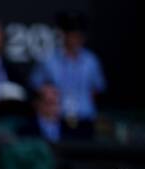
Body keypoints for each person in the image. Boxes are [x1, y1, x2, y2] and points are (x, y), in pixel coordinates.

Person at [28, 11, 105, 140]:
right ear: (63, 34)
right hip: (58, 120)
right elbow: (36, 87)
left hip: (85, 119)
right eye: (72, 34)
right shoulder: (49, 60)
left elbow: (96, 89)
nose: (75, 39)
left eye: (78, 35)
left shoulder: (91, 61)